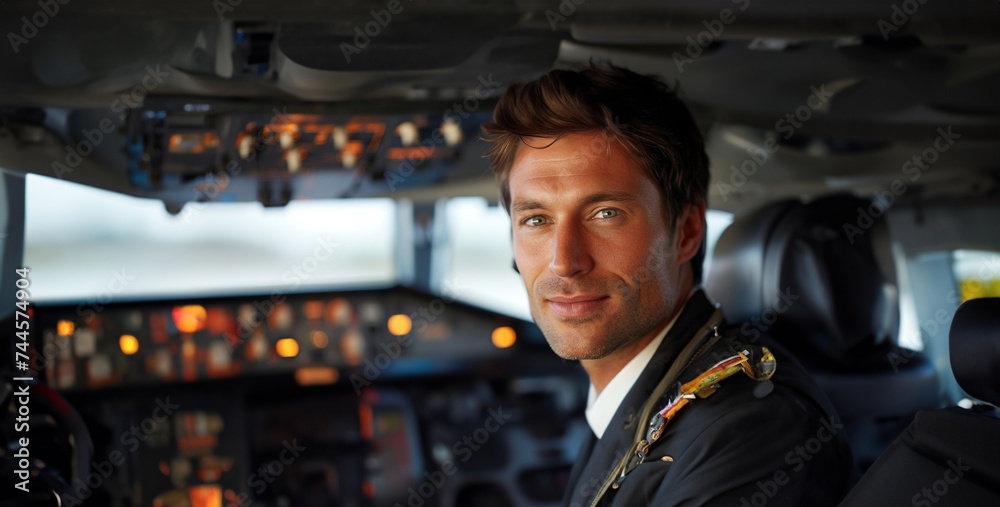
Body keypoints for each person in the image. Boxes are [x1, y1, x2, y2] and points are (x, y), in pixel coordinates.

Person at [481, 64, 855, 506]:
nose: (564, 262)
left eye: (605, 213)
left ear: (687, 232)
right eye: (536, 220)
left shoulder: (753, 432)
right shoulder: (635, 401)